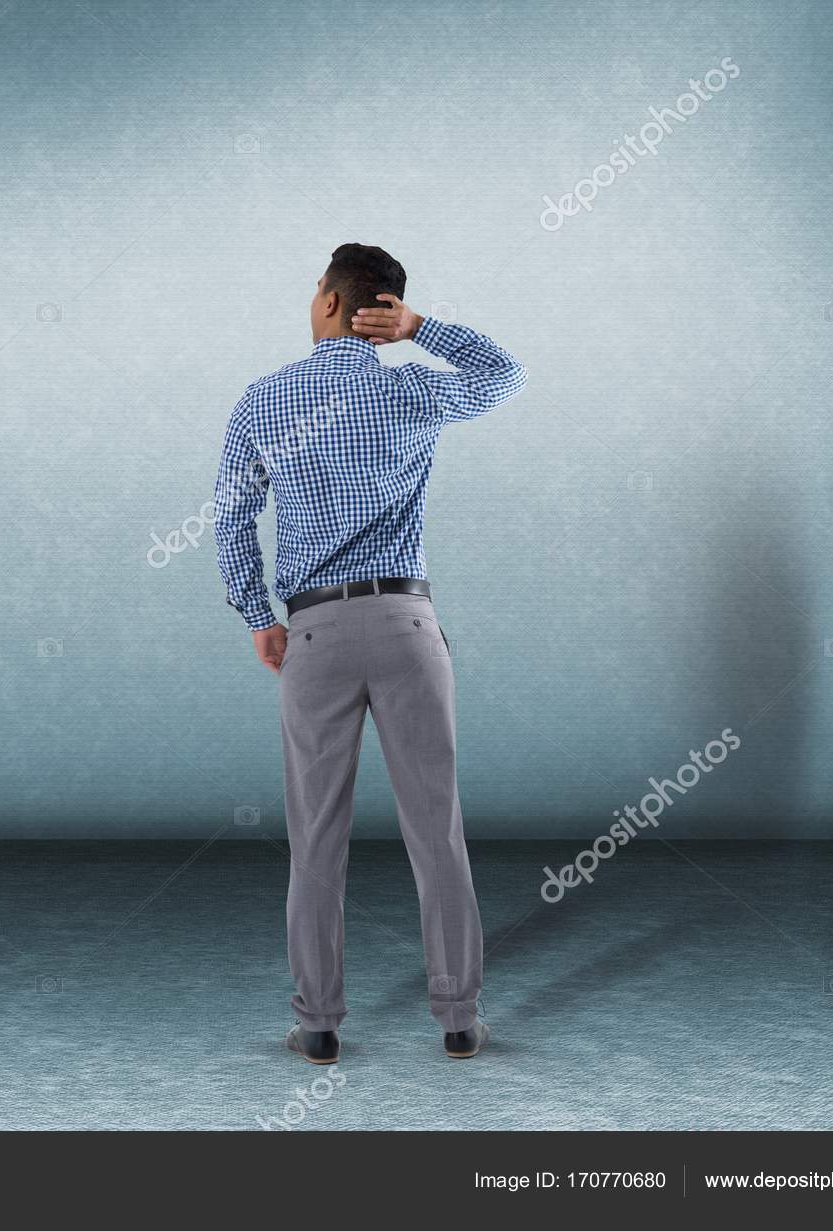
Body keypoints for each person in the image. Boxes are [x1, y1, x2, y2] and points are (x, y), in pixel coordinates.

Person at [212, 243, 527, 1064]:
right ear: (383, 310)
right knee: (437, 829)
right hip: (408, 627)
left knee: (316, 838)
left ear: (329, 300)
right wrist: (423, 330)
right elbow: (505, 374)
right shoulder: (412, 387)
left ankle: (318, 1023)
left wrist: (258, 615)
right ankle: (458, 1018)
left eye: (315, 289)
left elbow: (232, 515)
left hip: (313, 632)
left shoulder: (264, 397)